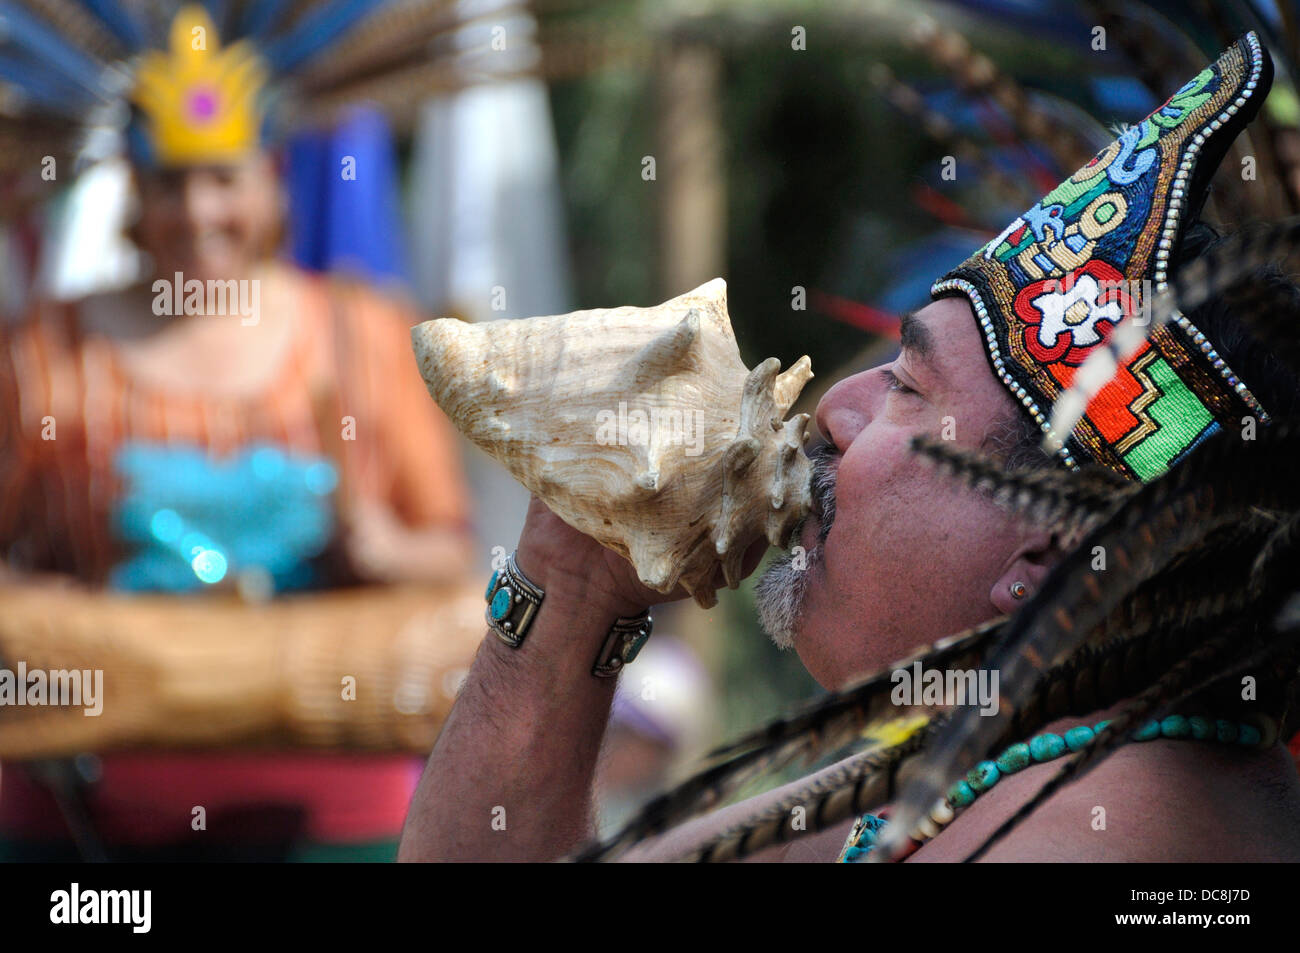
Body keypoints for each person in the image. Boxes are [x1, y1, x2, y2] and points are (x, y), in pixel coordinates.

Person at [398, 32, 1300, 862]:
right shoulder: (954, 790)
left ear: (1052, 543)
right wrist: (575, 573)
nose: (836, 408)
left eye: (907, 388)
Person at [0, 6, 473, 861]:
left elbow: (452, 557)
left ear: (270, 177)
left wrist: (378, 548)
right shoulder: (41, 353)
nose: (198, 210)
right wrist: (44, 606)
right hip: (88, 819)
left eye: (223, 178)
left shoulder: (362, 335)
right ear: (133, 193)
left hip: (336, 805)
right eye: (169, 181)